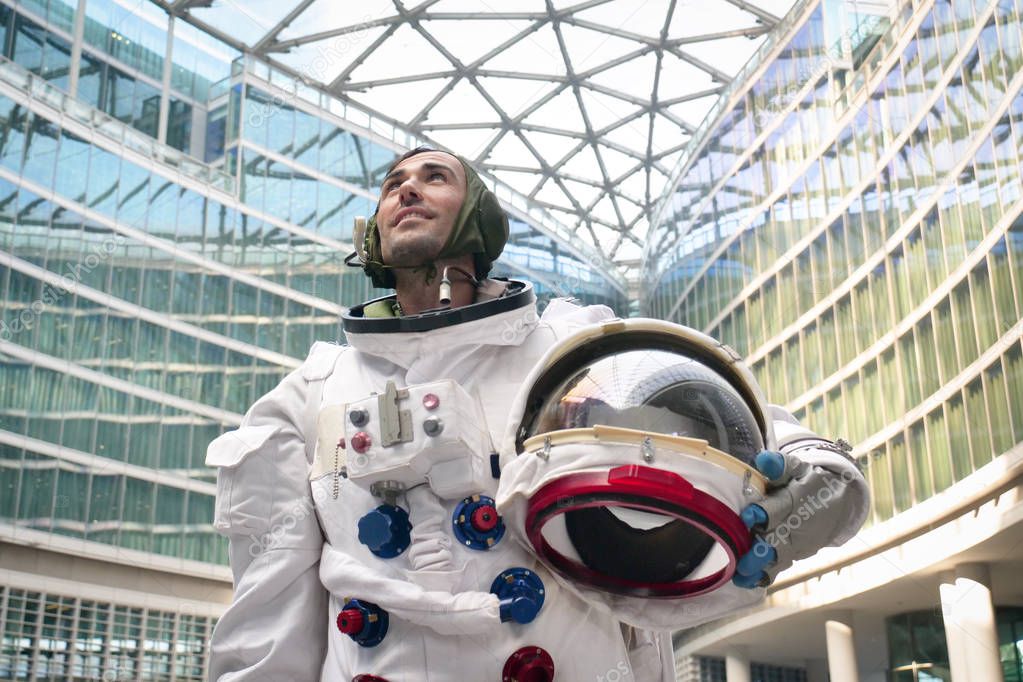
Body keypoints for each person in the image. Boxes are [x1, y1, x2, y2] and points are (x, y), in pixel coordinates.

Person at [205, 147, 868, 681]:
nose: (406, 190)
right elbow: (269, 617)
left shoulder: (570, 346)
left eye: (434, 178)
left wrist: (815, 473)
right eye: (392, 184)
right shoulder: (309, 392)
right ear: (371, 232)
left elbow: (718, 420)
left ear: (479, 220)